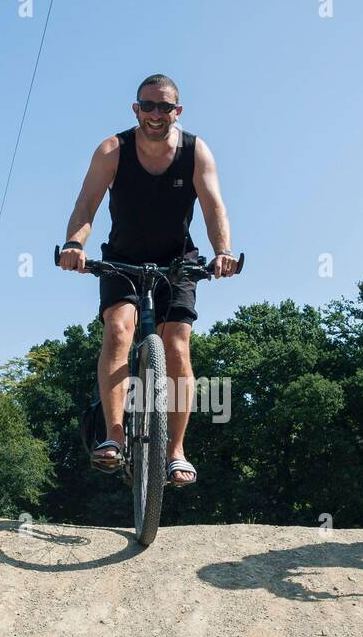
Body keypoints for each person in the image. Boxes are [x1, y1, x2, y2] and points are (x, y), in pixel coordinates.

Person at [58, 74, 238, 487]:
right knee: (119, 331)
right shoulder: (112, 150)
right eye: (148, 106)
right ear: (135, 108)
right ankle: (114, 436)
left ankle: (175, 452)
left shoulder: (195, 151)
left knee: (176, 344)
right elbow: (86, 205)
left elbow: (214, 208)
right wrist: (73, 243)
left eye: (165, 107)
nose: (156, 114)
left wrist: (223, 251)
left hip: (178, 260)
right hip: (123, 259)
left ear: (178, 111)